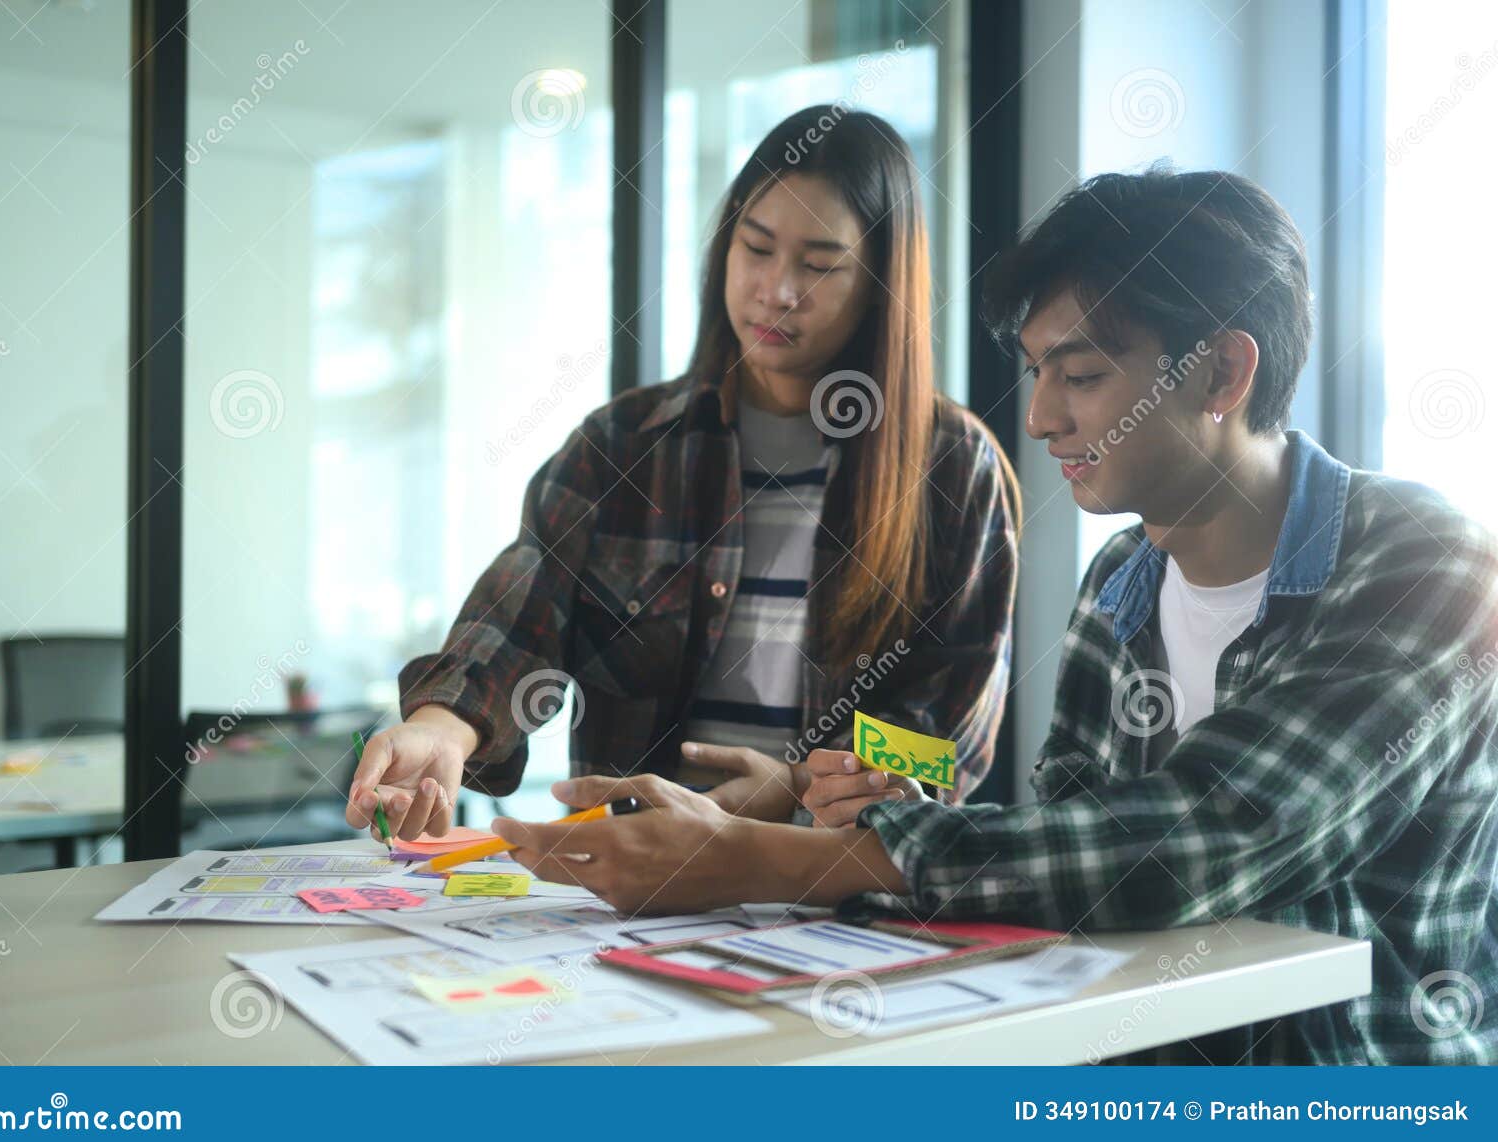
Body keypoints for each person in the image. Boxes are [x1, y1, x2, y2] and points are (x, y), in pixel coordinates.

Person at [492, 167, 1498, 1065]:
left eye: (1083, 374)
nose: (1042, 418)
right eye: (1037, 371)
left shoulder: (1431, 565)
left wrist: (772, 859)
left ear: (1223, 374)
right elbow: (1066, 839)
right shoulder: (1122, 578)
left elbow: (1217, 831)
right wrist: (847, 802)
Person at [346, 105, 1020, 842]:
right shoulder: (624, 447)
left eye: (820, 264)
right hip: (633, 876)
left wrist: (797, 786)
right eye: (755, 247)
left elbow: (946, 746)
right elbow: (519, 619)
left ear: (881, 284)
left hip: (835, 887)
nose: (778, 289)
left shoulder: (953, 468)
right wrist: (443, 727)